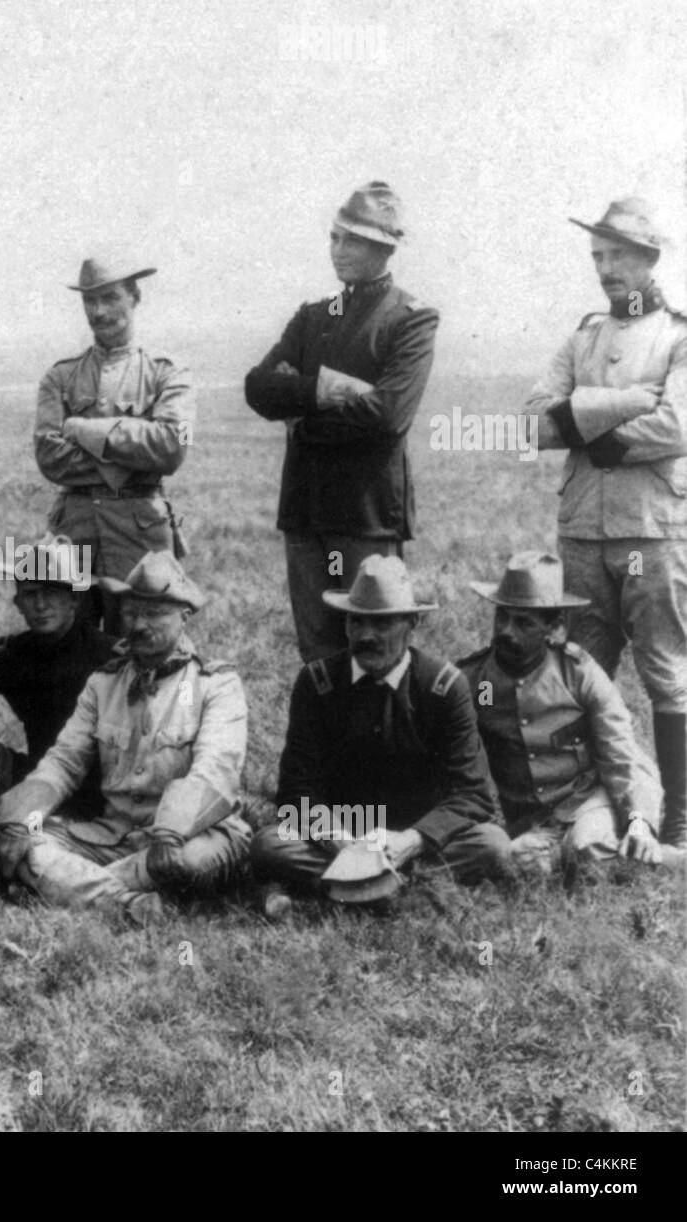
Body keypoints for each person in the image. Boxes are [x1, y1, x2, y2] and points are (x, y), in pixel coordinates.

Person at [525, 197, 687, 851]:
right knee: (583, 673)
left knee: (665, 671)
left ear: (649, 260)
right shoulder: (584, 335)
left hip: (652, 530)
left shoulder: (678, 335)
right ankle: (604, 809)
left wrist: (588, 426)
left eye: (618, 255)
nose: (606, 267)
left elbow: (678, 423)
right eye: (597, 256)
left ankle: (678, 818)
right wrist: (624, 403)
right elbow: (536, 421)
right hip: (584, 532)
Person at [0, 552, 250, 924]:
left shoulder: (217, 684)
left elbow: (215, 769)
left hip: (192, 834)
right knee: (20, 842)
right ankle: (132, 905)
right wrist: (21, 821)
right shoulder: (103, 683)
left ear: (184, 617)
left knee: (188, 863)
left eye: (155, 614)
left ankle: (68, 889)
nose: (139, 626)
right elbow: (63, 763)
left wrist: (171, 831)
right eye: (131, 613)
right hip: (114, 837)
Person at [246, 555, 511, 917]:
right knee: (269, 844)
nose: (366, 636)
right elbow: (296, 791)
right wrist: (338, 839)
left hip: (414, 834)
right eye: (356, 622)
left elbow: (473, 794)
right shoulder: (317, 683)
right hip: (342, 831)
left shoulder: (443, 686)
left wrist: (411, 840)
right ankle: (400, 889)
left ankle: (348, 889)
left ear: (411, 623)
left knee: (492, 845)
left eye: (382, 624)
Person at [244, 182, 440, 663]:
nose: (338, 250)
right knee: (318, 652)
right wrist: (321, 392)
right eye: (334, 237)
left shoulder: (410, 319)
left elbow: (389, 414)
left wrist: (304, 421)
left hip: (366, 518)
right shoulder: (315, 316)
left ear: (383, 247)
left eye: (351, 240)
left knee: (375, 648)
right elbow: (257, 387)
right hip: (308, 515)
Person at [458, 551, 678, 876]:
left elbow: (619, 756)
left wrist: (637, 821)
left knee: (585, 848)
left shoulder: (578, 673)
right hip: (531, 816)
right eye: (501, 616)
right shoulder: (474, 680)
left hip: (594, 794)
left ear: (554, 626)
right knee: (535, 868)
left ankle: (673, 860)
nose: (506, 631)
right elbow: (458, 766)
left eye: (523, 622)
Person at [34, 255, 195, 634]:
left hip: (141, 535)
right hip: (74, 532)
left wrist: (86, 432)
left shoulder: (166, 373)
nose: (99, 311)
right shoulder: (60, 376)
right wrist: (133, 453)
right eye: (90, 301)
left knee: (143, 641)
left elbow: (172, 446)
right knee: (71, 644)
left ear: (134, 297)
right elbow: (49, 456)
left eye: (110, 298)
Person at [0, 534, 115, 805]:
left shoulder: (109, 657)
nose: (41, 605)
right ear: (18, 604)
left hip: (105, 793)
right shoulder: (13, 655)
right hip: (34, 784)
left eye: (51, 593)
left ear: (75, 600)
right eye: (31, 594)